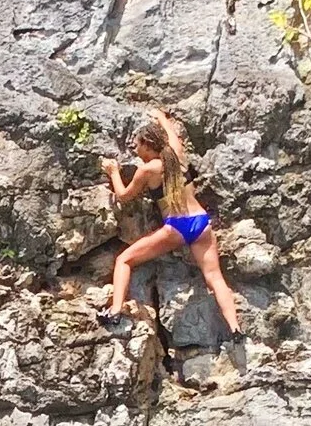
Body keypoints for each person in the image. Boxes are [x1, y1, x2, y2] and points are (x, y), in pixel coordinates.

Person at [100, 111, 242, 335]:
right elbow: (172, 136)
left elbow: (124, 196)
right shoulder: (176, 154)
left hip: (176, 226)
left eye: (137, 146)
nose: (136, 151)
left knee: (124, 260)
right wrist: (162, 118)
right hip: (201, 222)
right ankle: (235, 328)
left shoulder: (148, 170)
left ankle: (115, 311)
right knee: (215, 277)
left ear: (147, 145)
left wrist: (113, 172)